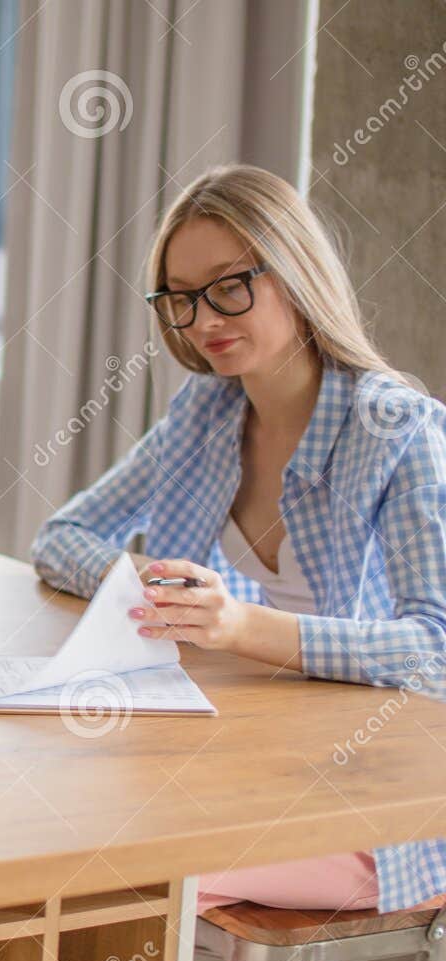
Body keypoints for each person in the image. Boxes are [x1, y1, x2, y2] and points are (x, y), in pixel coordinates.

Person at [32, 164, 446, 915]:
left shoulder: (397, 429)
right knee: (44, 821)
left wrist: (240, 627)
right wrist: (148, 582)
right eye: (182, 298)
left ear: (293, 271)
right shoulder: (207, 412)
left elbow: (436, 650)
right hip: (265, 764)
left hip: (391, 810)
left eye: (230, 285)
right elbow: (63, 535)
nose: (204, 319)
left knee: (122, 873)